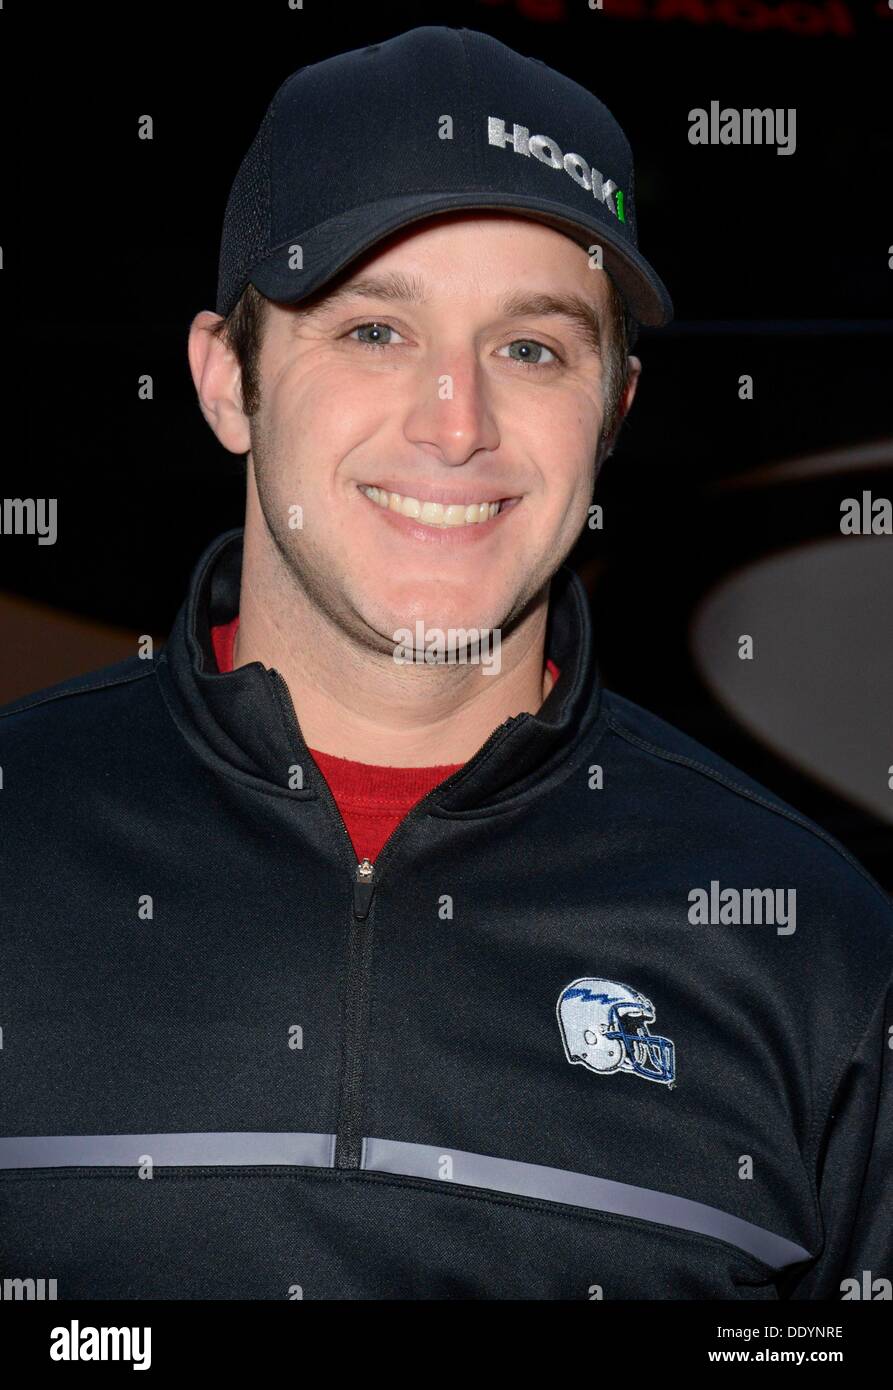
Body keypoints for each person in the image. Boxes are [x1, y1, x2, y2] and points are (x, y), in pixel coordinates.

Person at [1, 25, 890, 1302]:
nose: (454, 422)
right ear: (225, 384)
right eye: (372, 331)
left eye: (530, 348)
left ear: (612, 410)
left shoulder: (817, 950)